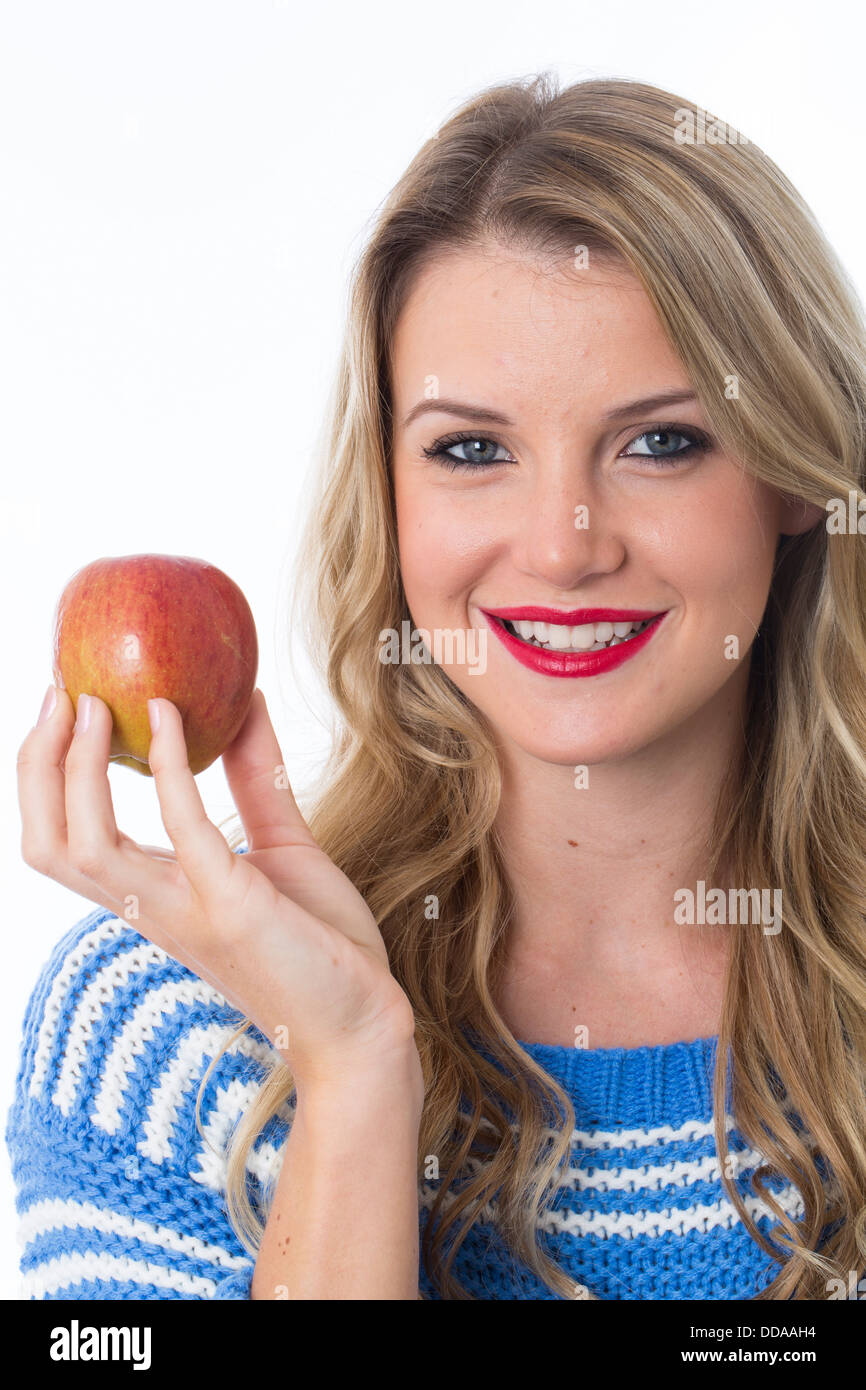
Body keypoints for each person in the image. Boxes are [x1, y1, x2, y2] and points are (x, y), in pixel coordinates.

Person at [8, 71, 866, 1301]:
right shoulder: (161, 1032)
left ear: (791, 472)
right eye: (471, 450)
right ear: (391, 493)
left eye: (659, 442)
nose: (564, 545)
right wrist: (351, 1067)